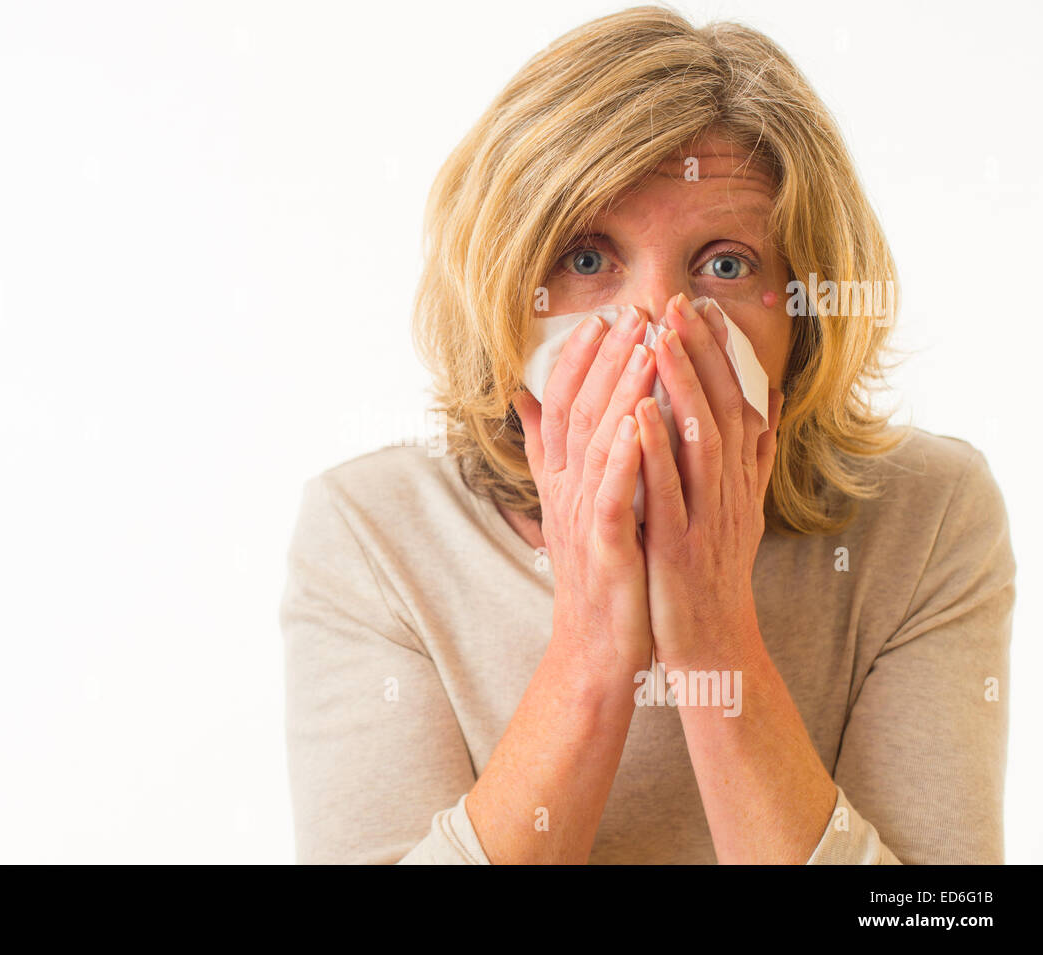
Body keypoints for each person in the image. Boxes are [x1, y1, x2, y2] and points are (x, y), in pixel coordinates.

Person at [279, 6, 1015, 864]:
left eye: (725, 264)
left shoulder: (928, 517)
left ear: (803, 319)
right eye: (587, 259)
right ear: (506, 293)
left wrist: (714, 635)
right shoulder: (371, 533)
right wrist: (594, 650)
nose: (656, 323)